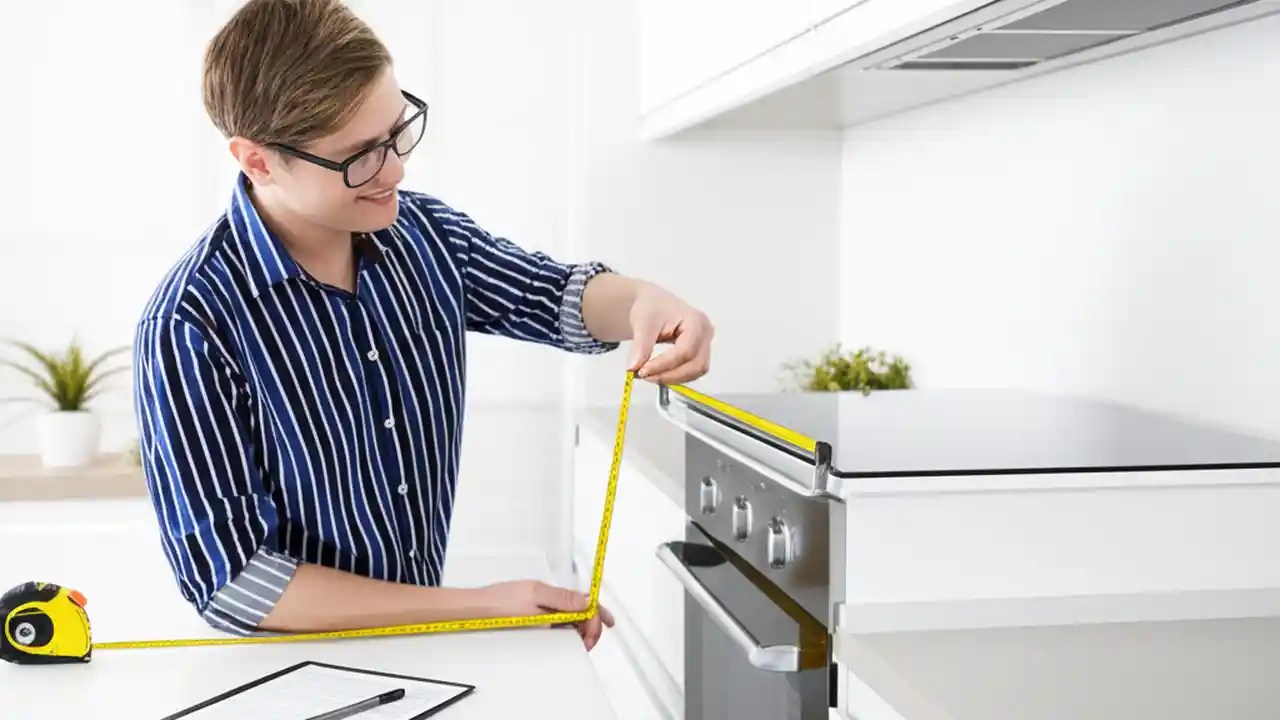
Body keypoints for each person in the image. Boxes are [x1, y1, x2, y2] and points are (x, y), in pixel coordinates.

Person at [132, 0, 713, 652]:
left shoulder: (424, 235)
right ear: (259, 161)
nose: (396, 171)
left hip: (418, 652)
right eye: (359, 157)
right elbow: (235, 582)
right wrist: (476, 607)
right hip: (286, 676)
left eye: (396, 132)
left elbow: (553, 295)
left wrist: (642, 300)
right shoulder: (189, 325)